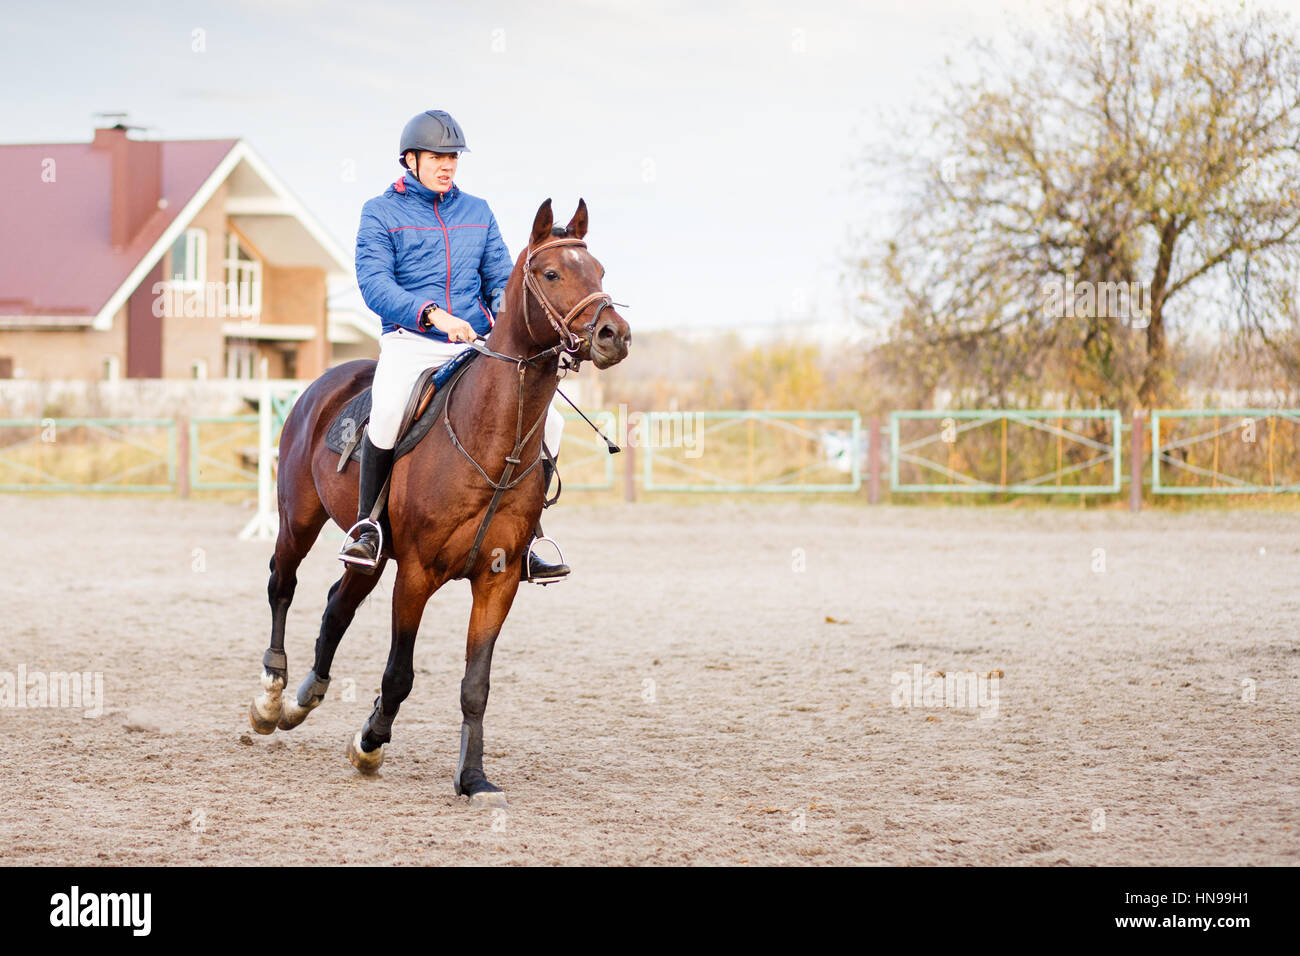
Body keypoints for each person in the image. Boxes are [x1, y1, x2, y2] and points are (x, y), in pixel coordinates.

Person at [340, 109, 569, 583]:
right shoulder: (379, 212)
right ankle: (368, 527)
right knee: (385, 412)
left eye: (453, 157)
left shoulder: (478, 212)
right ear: (410, 160)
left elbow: (499, 282)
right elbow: (374, 283)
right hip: (413, 340)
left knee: (553, 423)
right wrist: (430, 314)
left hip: (475, 342)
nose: (447, 165)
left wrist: (503, 323)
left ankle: (527, 537)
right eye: (437, 157)